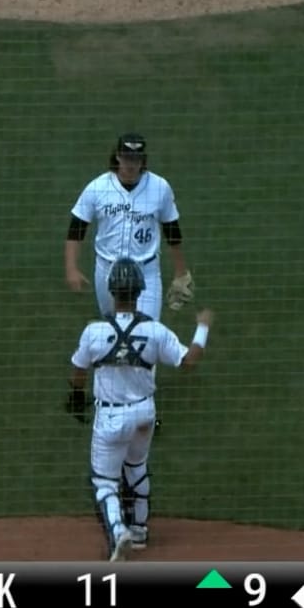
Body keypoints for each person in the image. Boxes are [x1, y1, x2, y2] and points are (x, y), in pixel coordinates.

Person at [64, 257, 212, 561]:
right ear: (140, 291)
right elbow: (189, 362)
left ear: (112, 291)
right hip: (145, 415)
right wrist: (202, 328)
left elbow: (77, 371)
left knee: (104, 481)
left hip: (110, 418)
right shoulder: (156, 331)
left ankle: (118, 531)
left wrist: (77, 396)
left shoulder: (93, 332)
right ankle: (141, 531)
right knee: (136, 467)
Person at [64, 132, 191, 324]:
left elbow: (171, 230)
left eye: (136, 159)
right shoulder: (97, 188)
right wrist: (71, 268)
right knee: (114, 331)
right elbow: (76, 229)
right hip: (107, 271)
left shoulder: (159, 187)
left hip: (146, 271)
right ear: (117, 156)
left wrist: (181, 272)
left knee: (147, 330)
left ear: (143, 160)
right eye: (126, 158)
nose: (131, 164)